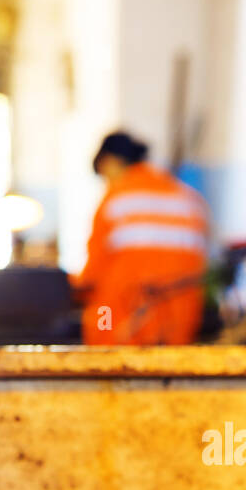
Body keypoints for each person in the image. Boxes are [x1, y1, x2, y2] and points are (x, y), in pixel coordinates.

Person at [73, 131, 210, 345]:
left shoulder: (116, 199)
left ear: (110, 162)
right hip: (180, 324)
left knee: (99, 313)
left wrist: (73, 288)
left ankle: (99, 358)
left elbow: (93, 274)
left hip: (126, 324)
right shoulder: (187, 197)